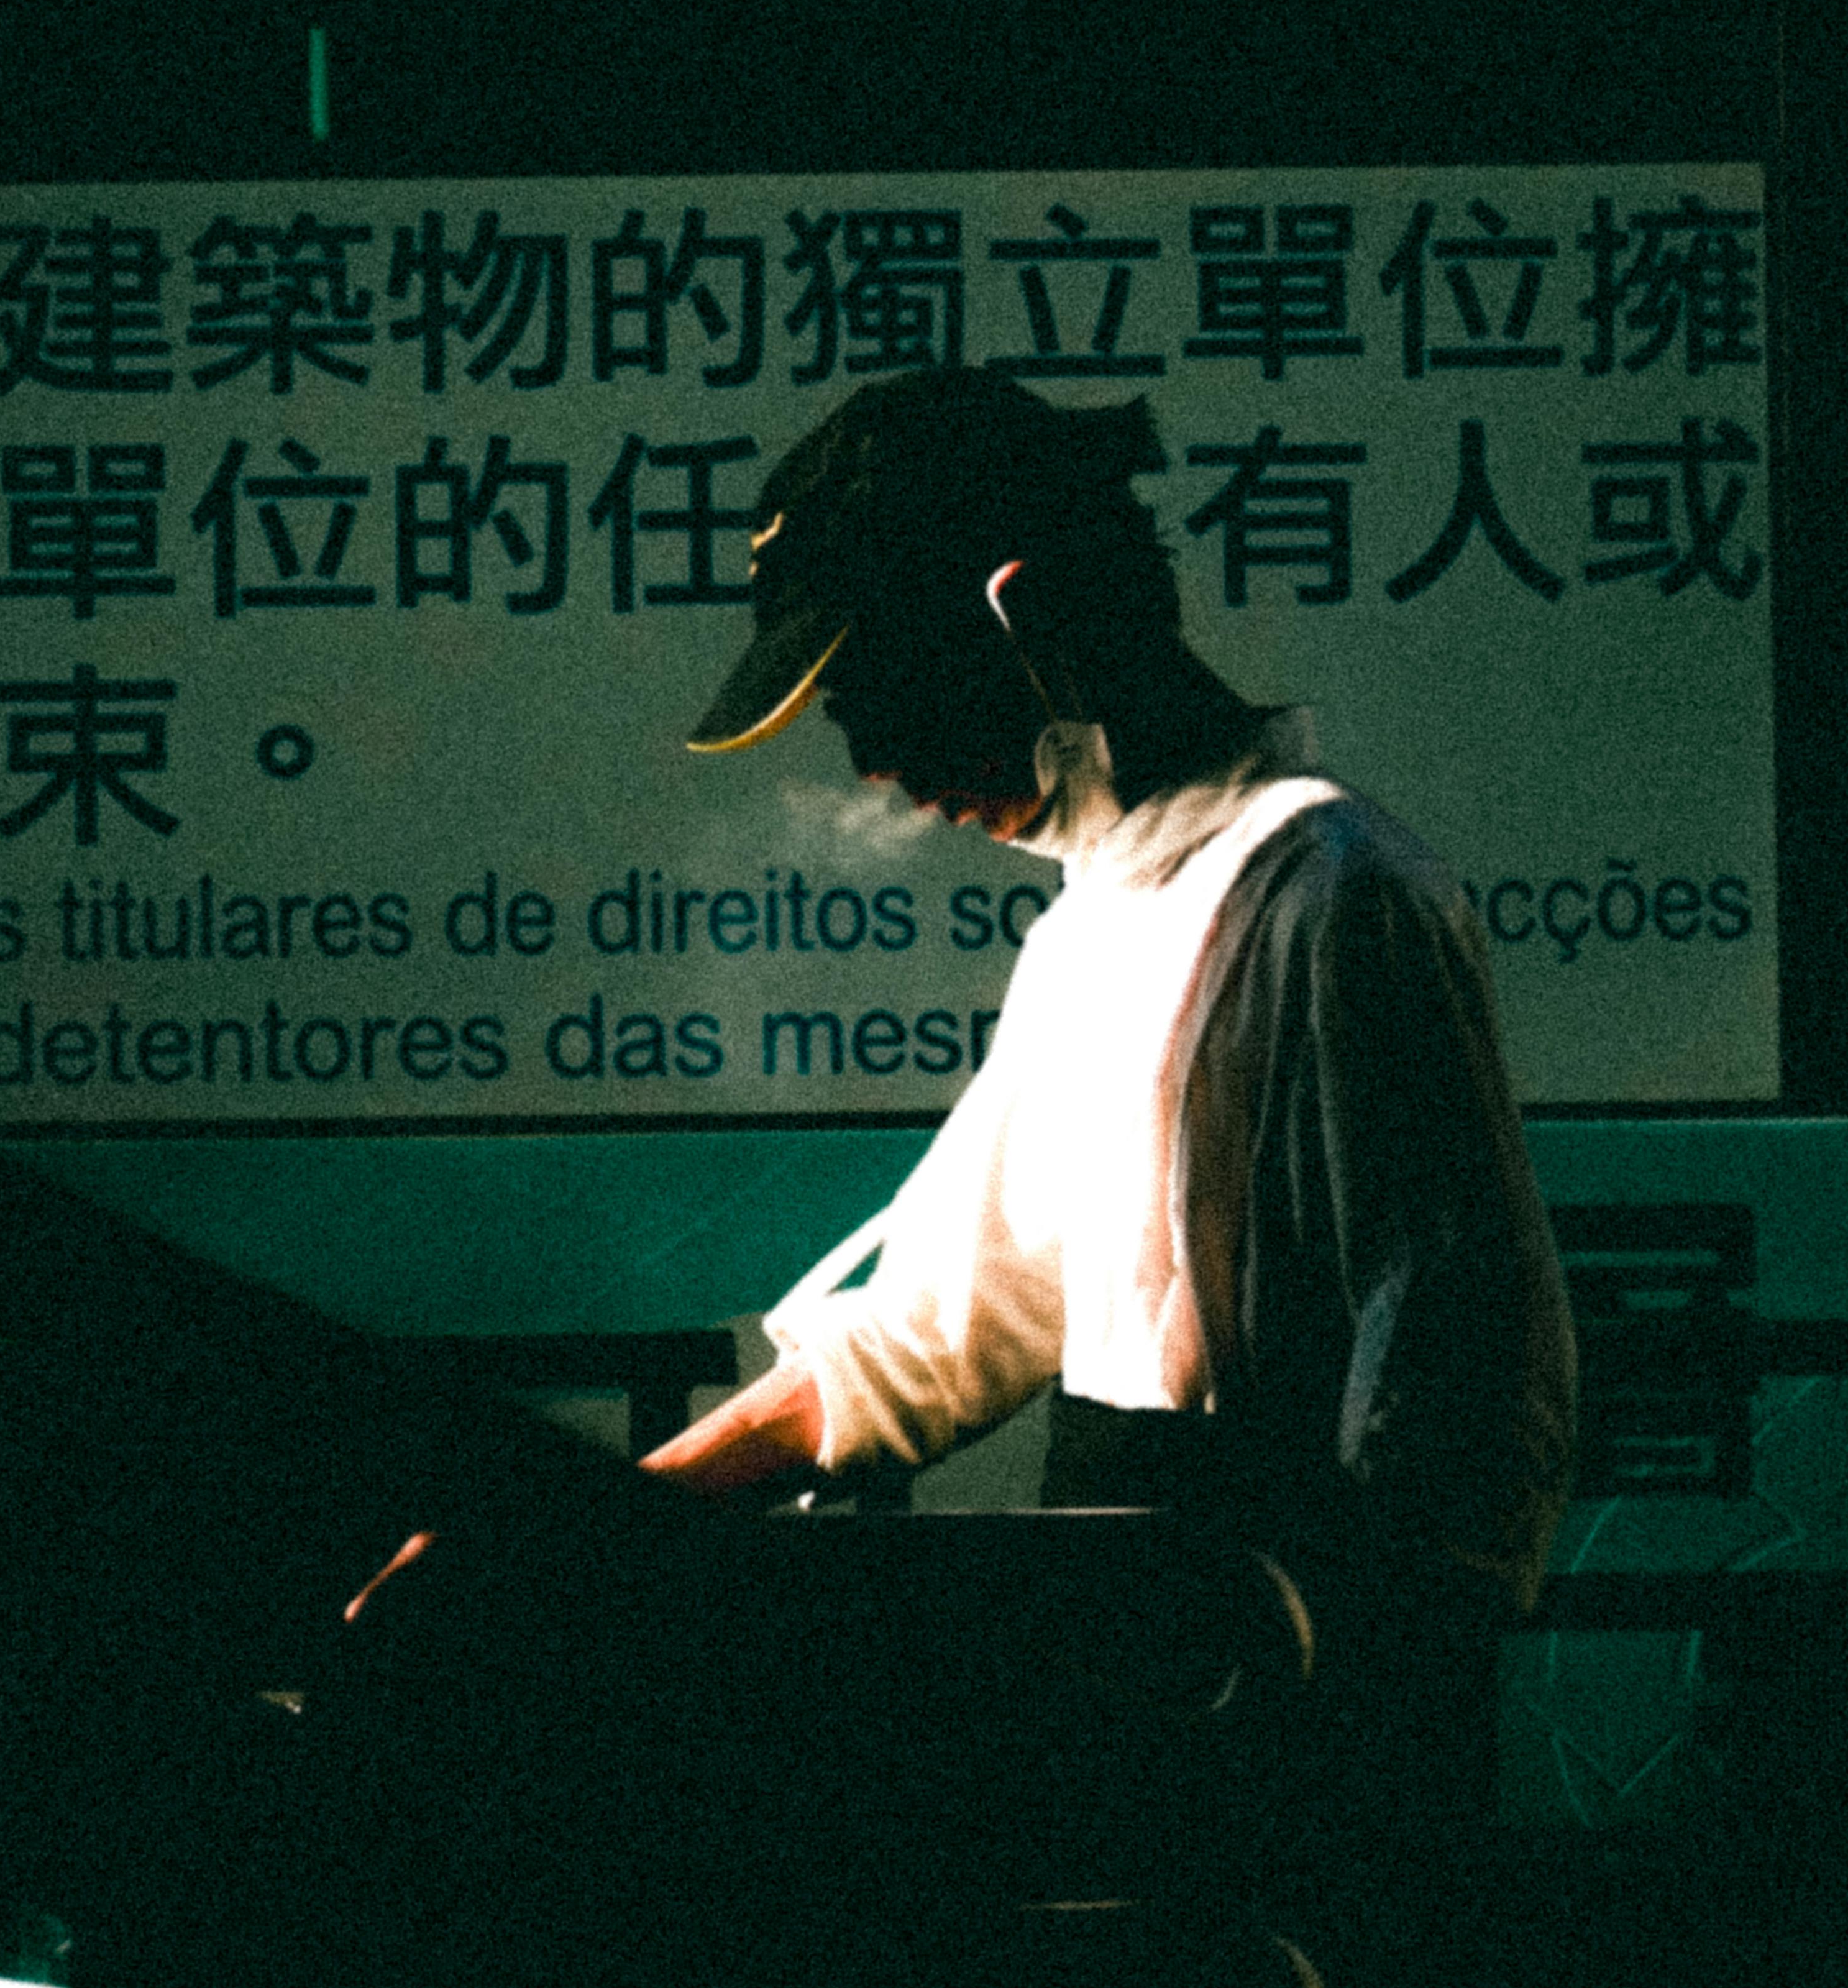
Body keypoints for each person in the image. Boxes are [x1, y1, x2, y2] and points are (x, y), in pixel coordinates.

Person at [640, 365, 1575, 1861]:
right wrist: (597, 1530)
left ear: (1020, 615)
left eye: (881, 693)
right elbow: (930, 1337)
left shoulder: (1336, 902)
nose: (878, 766)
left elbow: (1462, 1398)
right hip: (1152, 1673)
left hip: (1293, 1710)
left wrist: (1364, 1752)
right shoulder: (1095, 931)